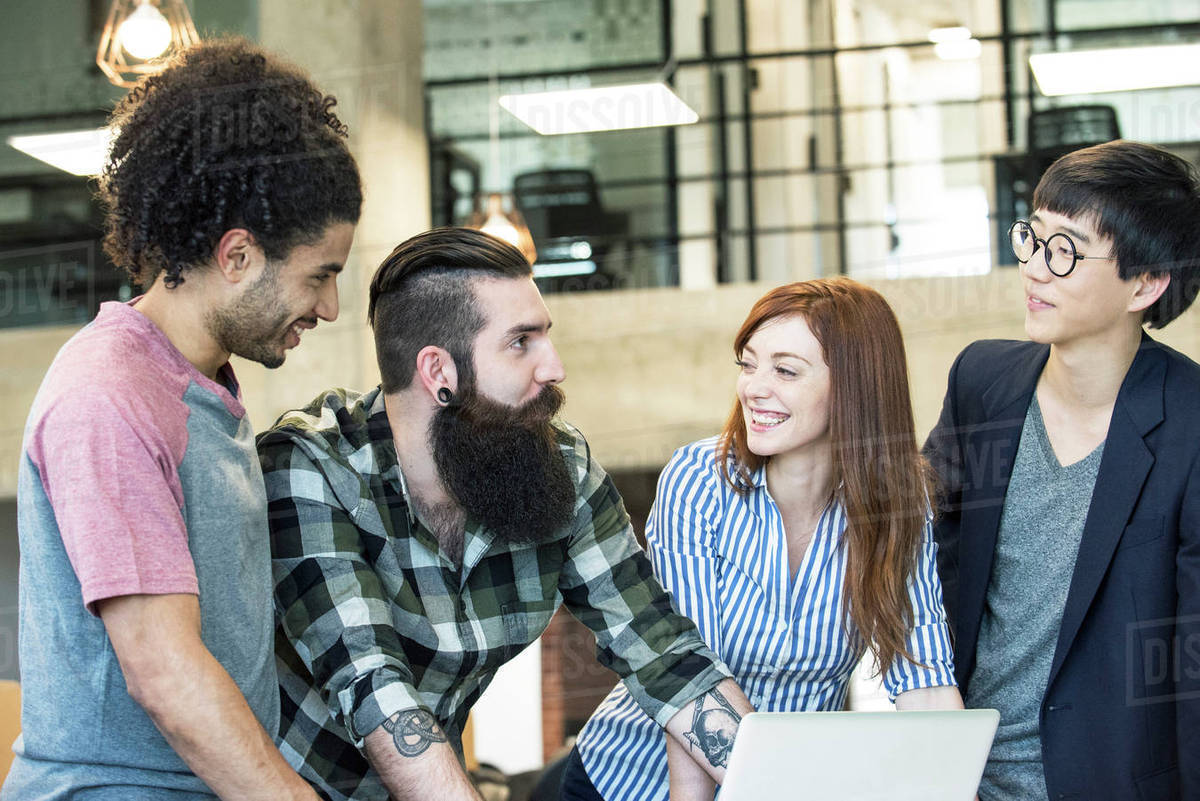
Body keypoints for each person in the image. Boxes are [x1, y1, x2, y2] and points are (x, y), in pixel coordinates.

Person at [257, 227, 754, 801]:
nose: (555, 367)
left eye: (547, 337)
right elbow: (372, 687)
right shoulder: (312, 469)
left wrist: (777, 785)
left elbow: (664, 654)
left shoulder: (558, 466)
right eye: (522, 342)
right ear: (438, 371)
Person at [2, 38, 361, 801]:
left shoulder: (200, 386)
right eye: (320, 275)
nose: (329, 307)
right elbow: (162, 670)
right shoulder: (109, 395)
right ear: (238, 256)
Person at [565, 277, 963, 801]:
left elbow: (924, 676)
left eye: (785, 370)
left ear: (854, 386)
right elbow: (686, 676)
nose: (753, 387)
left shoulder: (900, 503)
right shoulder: (698, 480)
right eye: (748, 364)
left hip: (778, 786)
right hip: (629, 781)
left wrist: (955, 786)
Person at [924, 140, 1200, 801]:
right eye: (1033, 237)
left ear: (1146, 282)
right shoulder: (980, 381)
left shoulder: (1191, 424)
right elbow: (923, 558)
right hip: (964, 779)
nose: (1034, 270)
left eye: (1066, 250)